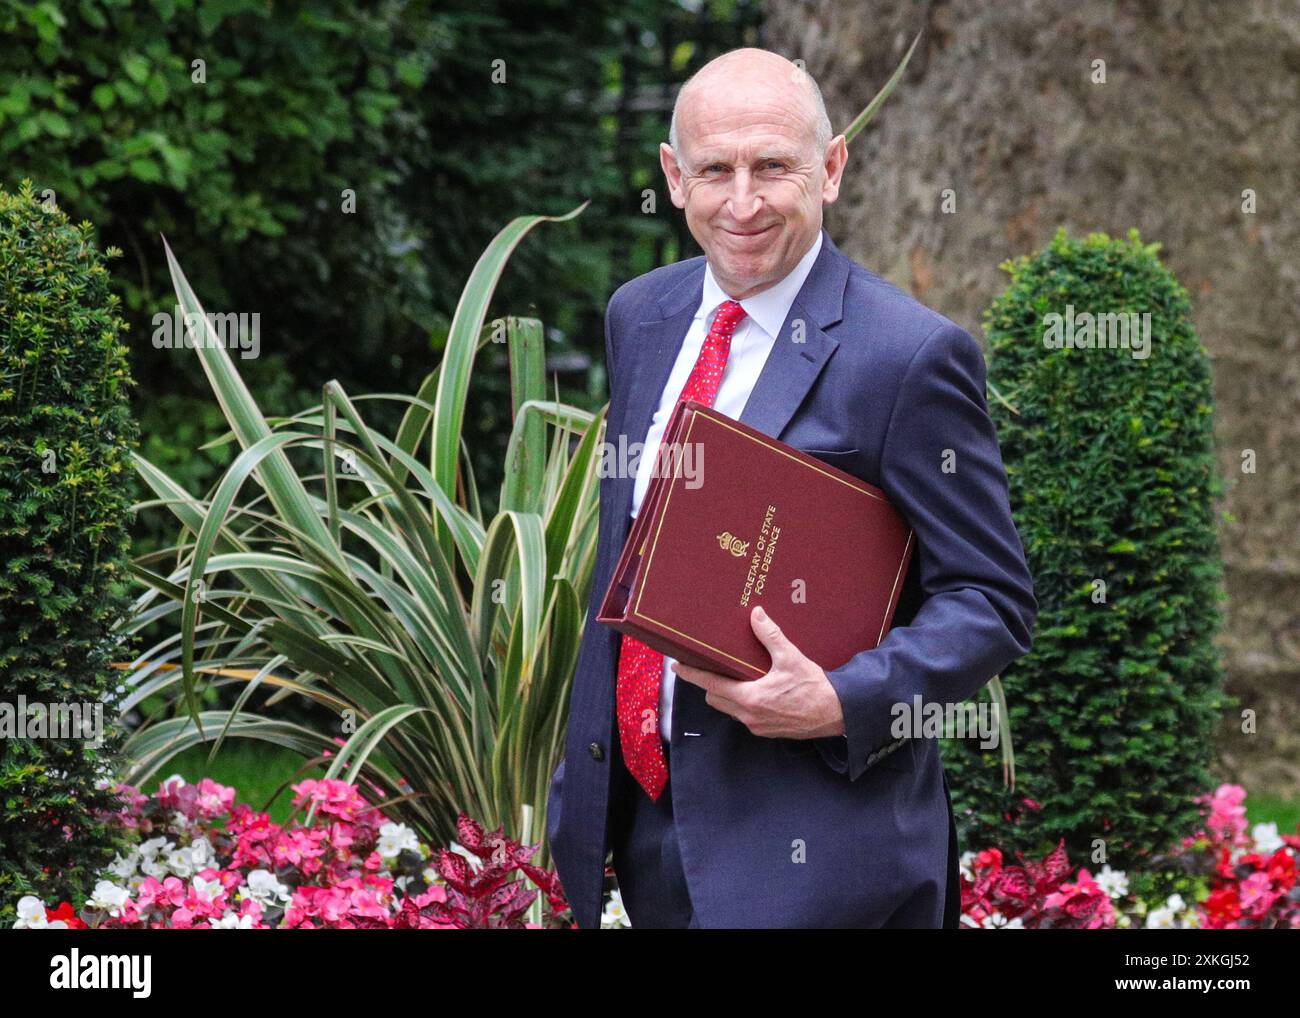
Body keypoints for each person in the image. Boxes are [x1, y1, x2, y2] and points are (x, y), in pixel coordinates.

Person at [546, 47, 1037, 928]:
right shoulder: (642, 316)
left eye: (773, 166)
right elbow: (628, 555)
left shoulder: (909, 356)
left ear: (832, 167)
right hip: (649, 837)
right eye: (714, 170)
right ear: (672, 175)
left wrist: (842, 700)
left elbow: (992, 601)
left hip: (822, 859)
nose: (742, 203)